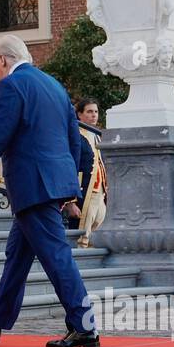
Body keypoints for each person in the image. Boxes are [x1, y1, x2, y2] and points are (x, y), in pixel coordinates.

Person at [0, 35, 98, 347]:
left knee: (57, 256)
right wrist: (68, 184)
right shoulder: (54, 86)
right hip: (51, 184)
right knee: (17, 256)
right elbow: (73, 139)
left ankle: (84, 326)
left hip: (32, 186)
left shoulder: (12, 85)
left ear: (4, 59)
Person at [74, 98, 107, 249]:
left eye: (95, 111)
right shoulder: (76, 134)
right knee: (83, 233)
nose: (94, 115)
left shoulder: (97, 135)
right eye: (89, 111)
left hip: (100, 190)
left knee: (98, 230)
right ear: (79, 115)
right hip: (85, 189)